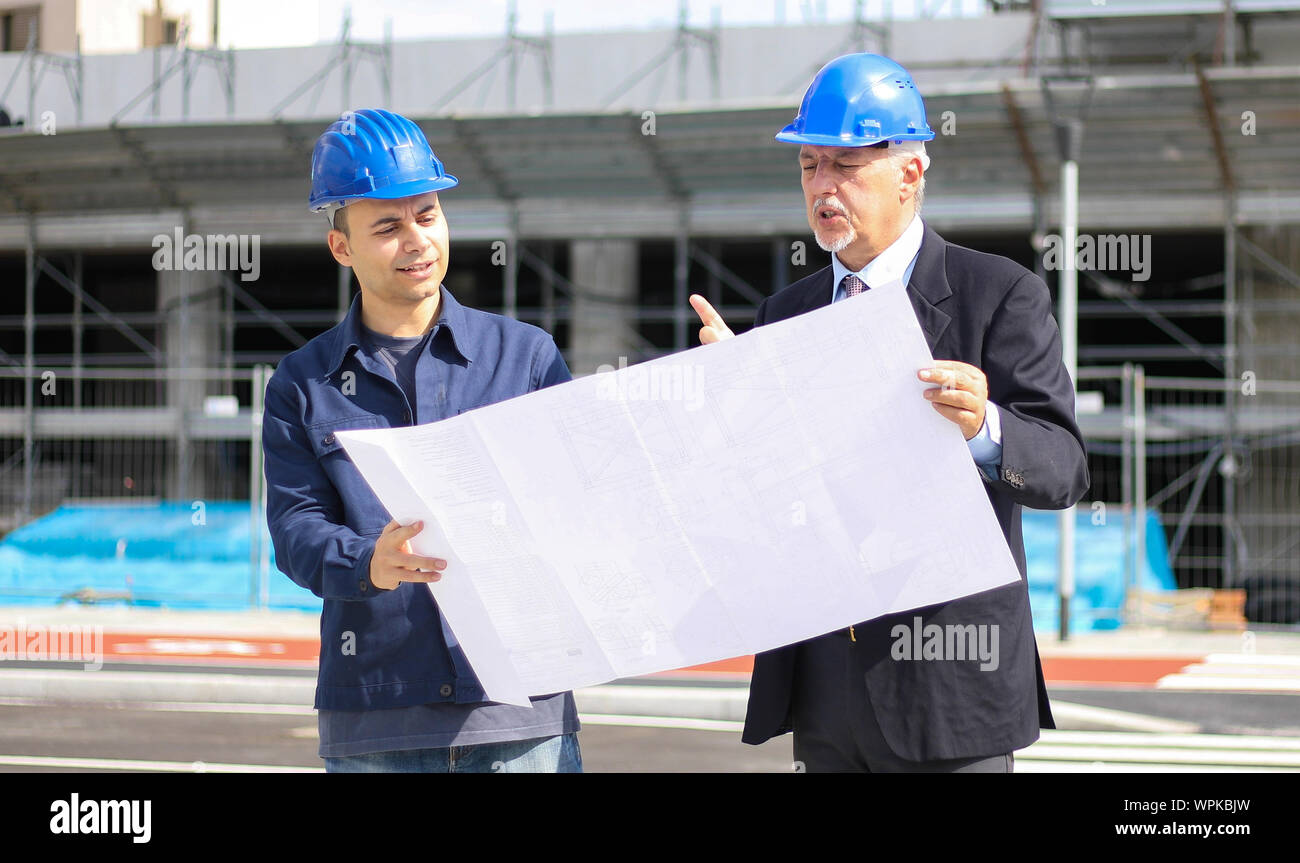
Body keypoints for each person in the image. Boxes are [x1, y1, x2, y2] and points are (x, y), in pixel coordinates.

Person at [689, 53, 1089, 772]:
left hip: (949, 688)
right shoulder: (784, 314)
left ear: (910, 172)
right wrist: (733, 407)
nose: (822, 187)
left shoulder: (997, 293)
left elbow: (1064, 469)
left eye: (845, 164)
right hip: (823, 683)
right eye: (810, 166)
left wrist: (984, 427)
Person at [262, 108, 581, 773]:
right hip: (377, 719)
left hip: (520, 717)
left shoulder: (525, 358)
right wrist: (365, 562)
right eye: (387, 226)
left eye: (428, 215)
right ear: (341, 247)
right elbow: (295, 529)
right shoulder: (302, 383)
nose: (417, 241)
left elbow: (584, 496)